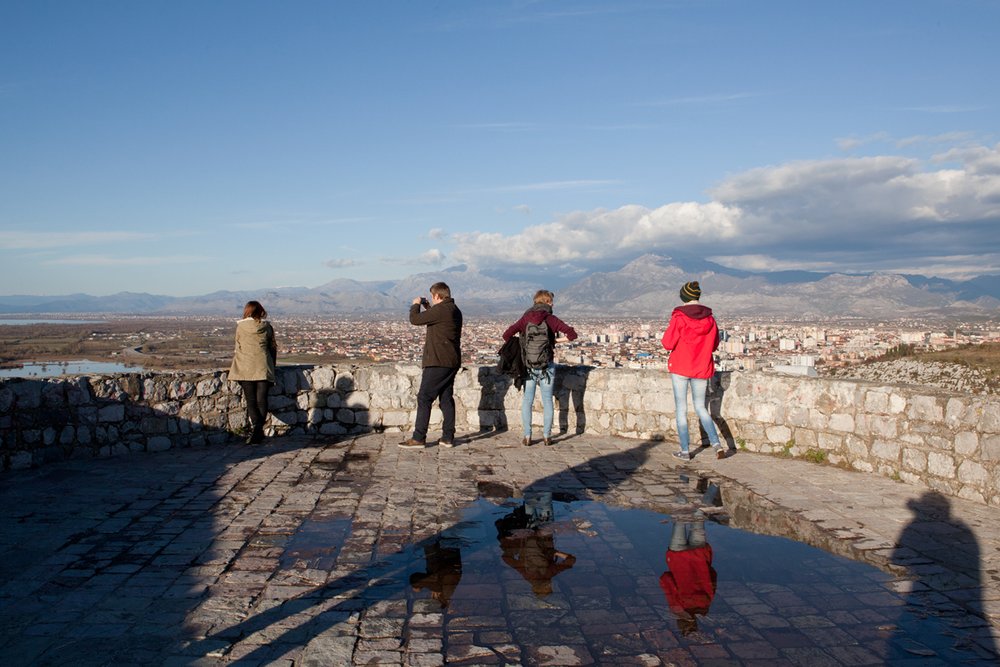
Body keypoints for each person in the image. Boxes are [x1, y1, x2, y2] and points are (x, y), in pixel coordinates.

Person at [502, 290, 577, 446]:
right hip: (546, 365)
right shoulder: (551, 319)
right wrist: (554, 342)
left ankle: (528, 436)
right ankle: (546, 436)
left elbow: (506, 335)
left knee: (527, 400)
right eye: (551, 301)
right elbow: (572, 335)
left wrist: (524, 344)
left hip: (528, 365)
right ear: (547, 301)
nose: (553, 304)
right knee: (547, 400)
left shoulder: (525, 318)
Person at [661, 281, 724, 461]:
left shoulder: (679, 318)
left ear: (684, 297)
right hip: (702, 367)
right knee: (700, 407)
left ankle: (685, 451)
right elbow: (714, 345)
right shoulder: (710, 319)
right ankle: (716, 444)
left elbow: (667, 343)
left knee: (681, 409)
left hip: (681, 367)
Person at [400, 282, 463, 449]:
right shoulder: (454, 310)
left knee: (424, 397)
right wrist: (428, 306)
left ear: (437, 296)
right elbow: (437, 318)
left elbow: (415, 320)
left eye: (433, 298)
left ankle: (419, 437)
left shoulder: (441, 310)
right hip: (451, 360)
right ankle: (448, 437)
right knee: (446, 398)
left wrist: (415, 305)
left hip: (438, 361)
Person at [659, 516, 717, 636]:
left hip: (699, 555)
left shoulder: (706, 603)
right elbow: (666, 579)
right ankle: (681, 499)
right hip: (678, 556)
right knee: (680, 521)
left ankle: (701, 498)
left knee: (698, 519)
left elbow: (713, 575)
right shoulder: (677, 607)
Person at [228, 300, 277, 444]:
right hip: (262, 366)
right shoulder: (266, 327)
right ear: (260, 311)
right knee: (262, 400)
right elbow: (272, 347)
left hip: (244, 367)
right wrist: (272, 366)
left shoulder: (240, 327)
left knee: (251, 401)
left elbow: (237, 347)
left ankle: (256, 428)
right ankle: (258, 429)